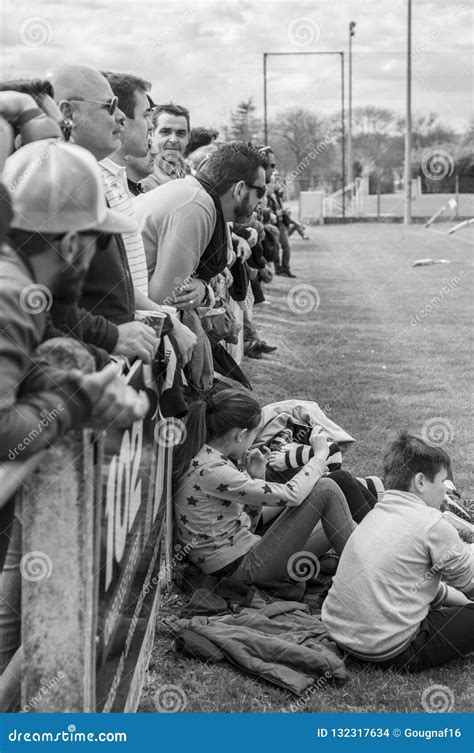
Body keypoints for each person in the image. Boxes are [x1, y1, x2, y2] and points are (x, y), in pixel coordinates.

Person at [322, 432, 474, 672]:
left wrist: (461, 603)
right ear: (421, 481)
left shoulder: (377, 515)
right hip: (391, 650)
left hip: (341, 635)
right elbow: (469, 579)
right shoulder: (431, 523)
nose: (445, 493)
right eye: (442, 483)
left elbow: (408, 582)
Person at [172, 389, 356, 582]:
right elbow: (291, 495)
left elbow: (248, 524)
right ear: (241, 435)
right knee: (326, 489)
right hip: (242, 567)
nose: (254, 440)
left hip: (241, 555)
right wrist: (319, 456)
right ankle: (368, 569)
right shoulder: (214, 471)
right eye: (254, 435)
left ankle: (368, 560)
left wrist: (257, 476)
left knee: (340, 522)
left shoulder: (204, 456)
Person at [50, 64, 158, 363]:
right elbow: (38, 302)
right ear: (68, 113)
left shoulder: (80, 177)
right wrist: (109, 337)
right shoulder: (48, 184)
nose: (121, 115)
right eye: (110, 106)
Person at [135, 141, 268, 309]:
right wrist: (204, 290)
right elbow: (164, 300)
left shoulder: (196, 194)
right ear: (240, 189)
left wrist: (202, 286)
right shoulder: (197, 205)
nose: (262, 200)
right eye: (261, 191)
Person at [141, 102, 190, 190]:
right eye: (166, 132)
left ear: (188, 138)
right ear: (151, 134)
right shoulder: (144, 178)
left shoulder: (190, 175)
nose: (174, 140)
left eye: (180, 133)